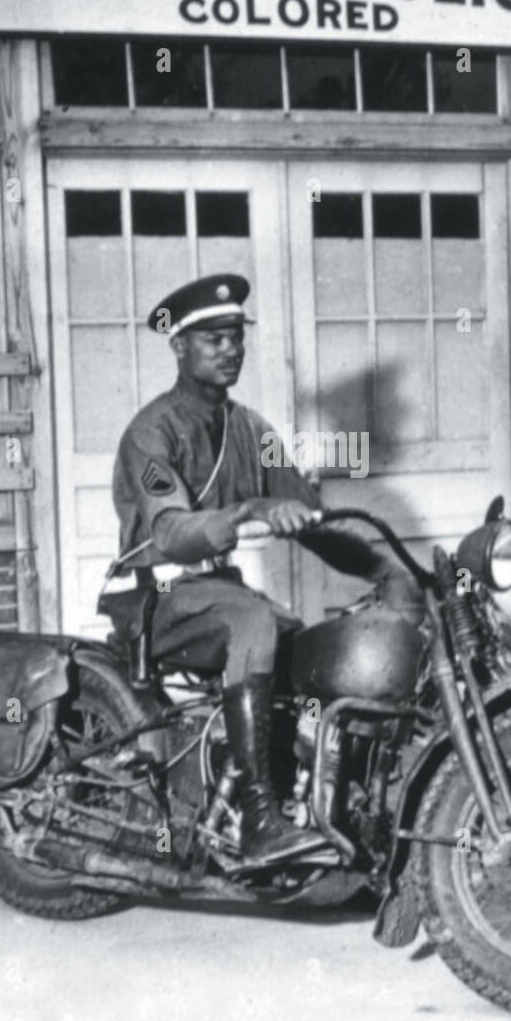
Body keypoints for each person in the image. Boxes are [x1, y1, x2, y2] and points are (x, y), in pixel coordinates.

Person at [112, 272, 422, 865]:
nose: (230, 349)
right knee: (254, 622)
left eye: (235, 336)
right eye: (212, 339)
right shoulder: (150, 434)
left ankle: (306, 794)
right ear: (178, 346)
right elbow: (171, 532)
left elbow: (311, 520)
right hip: (158, 593)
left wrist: (387, 568)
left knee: (308, 645)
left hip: (213, 591)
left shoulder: (253, 429)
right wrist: (252, 509)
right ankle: (259, 822)